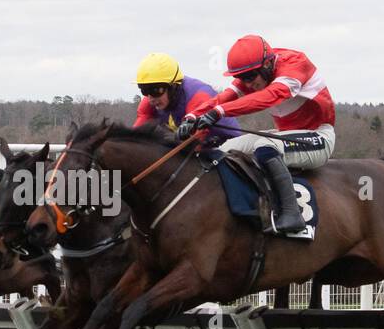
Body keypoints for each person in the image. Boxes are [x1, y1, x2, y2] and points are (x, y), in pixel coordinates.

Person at [178, 35, 334, 234]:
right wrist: (192, 116)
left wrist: (220, 112)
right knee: (222, 151)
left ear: (268, 64)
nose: (247, 83)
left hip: (319, 137)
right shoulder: (254, 71)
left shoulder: (295, 65)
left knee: (265, 147)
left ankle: (292, 214)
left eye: (250, 77)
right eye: (242, 78)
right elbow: (224, 98)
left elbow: (269, 97)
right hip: (286, 134)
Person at [132, 52, 240, 145]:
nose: (150, 98)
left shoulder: (198, 97)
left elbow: (194, 144)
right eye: (144, 90)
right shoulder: (150, 99)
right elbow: (134, 139)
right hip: (199, 145)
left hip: (227, 144)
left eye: (156, 90)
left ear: (173, 86)